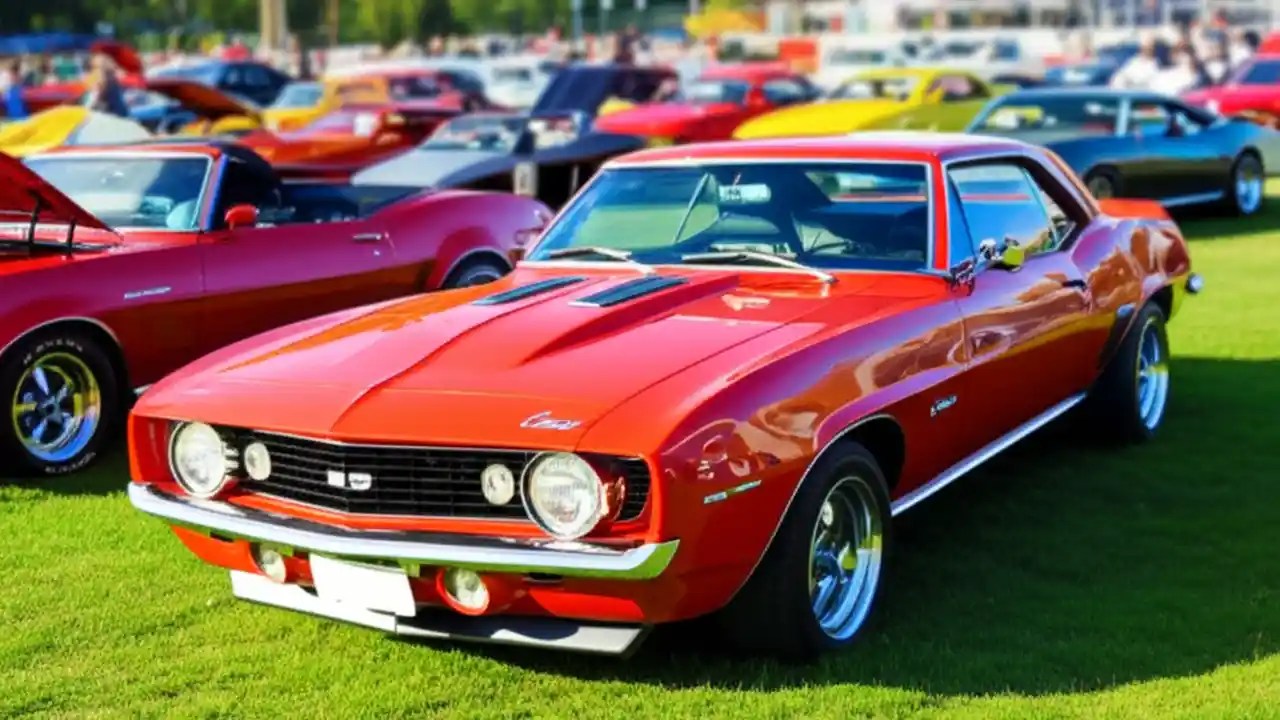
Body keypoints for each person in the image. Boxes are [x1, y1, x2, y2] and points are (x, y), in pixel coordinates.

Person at [86, 54, 129, 118]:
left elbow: (93, 100)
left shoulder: (106, 82)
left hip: (110, 115)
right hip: (115, 114)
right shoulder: (112, 81)